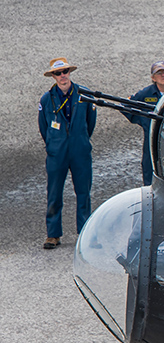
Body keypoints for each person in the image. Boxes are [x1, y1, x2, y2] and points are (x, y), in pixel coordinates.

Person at [37, 57, 96, 250]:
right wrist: (54, 144)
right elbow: (43, 127)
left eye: (65, 71)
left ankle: (84, 232)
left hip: (80, 151)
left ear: (69, 72)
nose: (62, 76)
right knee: (54, 193)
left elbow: (91, 122)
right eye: (58, 73)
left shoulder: (84, 94)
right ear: (53, 76)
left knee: (84, 192)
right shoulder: (46, 99)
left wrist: (80, 140)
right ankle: (53, 234)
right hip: (57, 154)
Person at [124, 61, 164, 185]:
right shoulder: (146, 93)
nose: (163, 75)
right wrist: (143, 121)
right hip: (152, 137)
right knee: (150, 167)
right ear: (153, 78)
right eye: (159, 73)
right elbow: (125, 106)